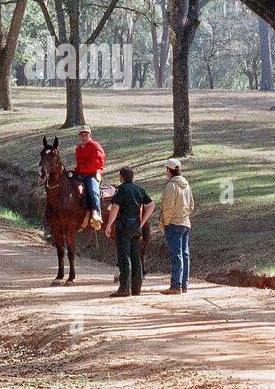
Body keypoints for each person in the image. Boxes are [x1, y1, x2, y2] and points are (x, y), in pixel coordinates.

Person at [104, 167, 155, 297]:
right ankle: (136, 288)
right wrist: (142, 222)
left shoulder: (121, 190)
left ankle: (124, 288)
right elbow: (151, 205)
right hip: (136, 227)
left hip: (124, 226)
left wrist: (109, 225)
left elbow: (115, 208)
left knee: (124, 256)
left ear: (121, 177)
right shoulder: (139, 189)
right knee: (136, 256)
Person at [159, 158, 194, 294]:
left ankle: (175, 286)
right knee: (184, 254)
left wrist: (165, 222)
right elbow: (191, 205)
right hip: (185, 223)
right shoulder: (186, 185)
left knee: (176, 255)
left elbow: (168, 208)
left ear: (169, 170)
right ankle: (183, 285)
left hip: (173, 223)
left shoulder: (170, 186)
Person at [74, 124, 105, 230]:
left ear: (89, 135)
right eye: (82, 135)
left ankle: (97, 213)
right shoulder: (78, 148)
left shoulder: (95, 146)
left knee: (92, 189)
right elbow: (79, 164)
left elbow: (97, 162)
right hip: (82, 173)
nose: (84, 137)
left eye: (86, 135)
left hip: (93, 173)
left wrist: (82, 169)